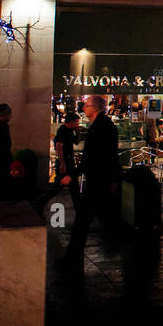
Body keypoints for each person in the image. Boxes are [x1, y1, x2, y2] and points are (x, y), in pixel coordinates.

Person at [65, 95, 125, 272]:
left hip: (100, 180)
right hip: (99, 179)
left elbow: (101, 155)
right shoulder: (102, 125)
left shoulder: (103, 126)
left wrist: (74, 174)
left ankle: (73, 256)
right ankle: (73, 255)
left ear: (95, 108)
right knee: (95, 217)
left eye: (86, 105)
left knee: (86, 218)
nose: (83, 108)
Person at [34, 112, 80, 215]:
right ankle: (40, 204)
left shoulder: (69, 131)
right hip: (66, 162)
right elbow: (59, 146)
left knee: (72, 188)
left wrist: (77, 132)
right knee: (58, 187)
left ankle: (79, 210)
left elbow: (76, 142)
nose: (78, 124)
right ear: (71, 121)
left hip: (68, 162)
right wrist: (62, 163)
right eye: (77, 122)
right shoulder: (63, 131)